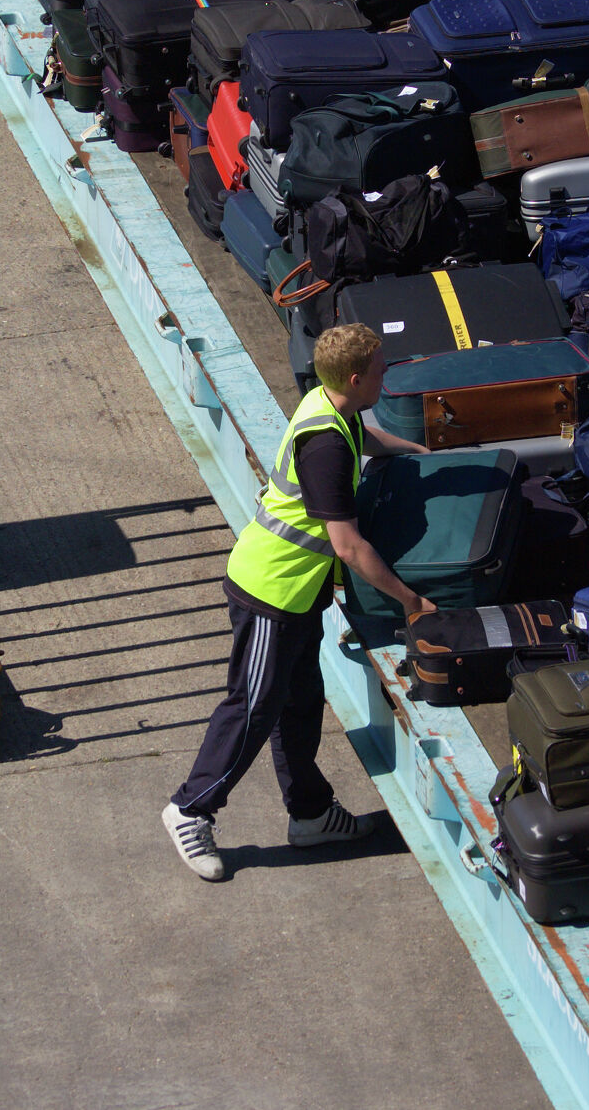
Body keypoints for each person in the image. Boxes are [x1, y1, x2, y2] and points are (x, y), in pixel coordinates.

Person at [162, 323, 436, 881]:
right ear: (356, 379)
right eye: (380, 369)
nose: (386, 375)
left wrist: (416, 452)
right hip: (272, 593)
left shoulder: (329, 406)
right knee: (253, 707)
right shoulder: (326, 448)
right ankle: (190, 809)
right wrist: (411, 601)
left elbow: (365, 437)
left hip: (298, 594)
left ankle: (309, 813)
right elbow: (349, 547)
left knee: (300, 702)